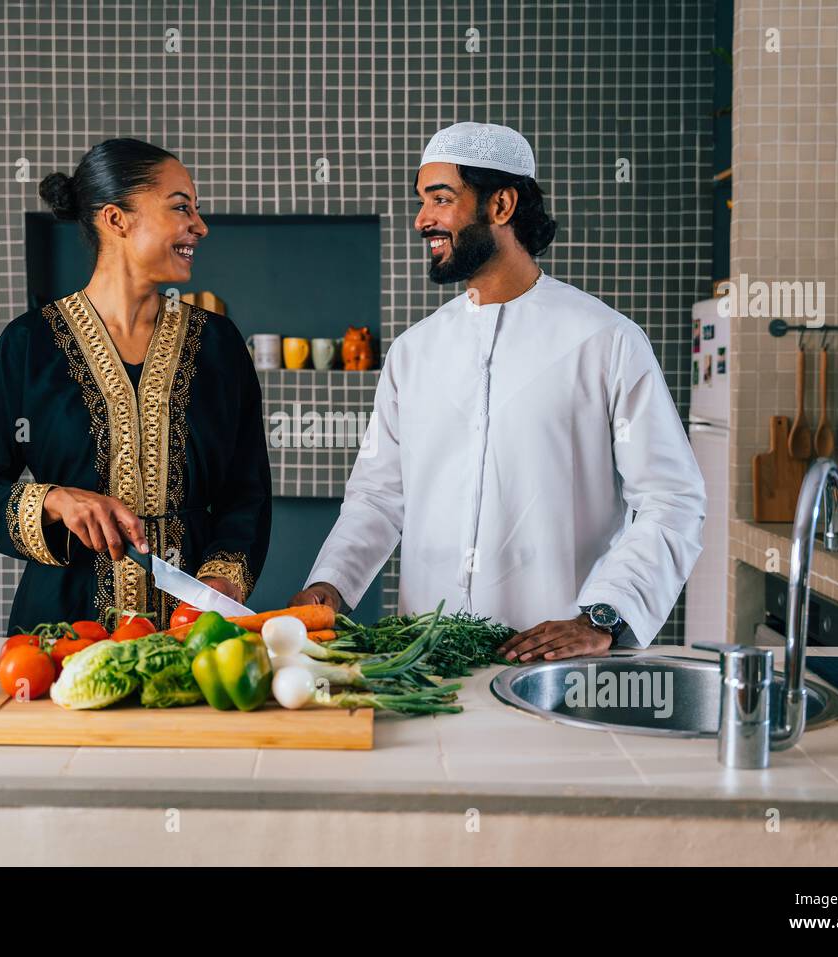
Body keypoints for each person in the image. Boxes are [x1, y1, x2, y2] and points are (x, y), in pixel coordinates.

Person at [290, 122, 705, 662]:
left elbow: (672, 499)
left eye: (441, 199)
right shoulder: (414, 353)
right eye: (423, 201)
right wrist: (331, 587)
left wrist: (605, 616)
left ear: (501, 205)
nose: (422, 221)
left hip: (554, 668)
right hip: (428, 658)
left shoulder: (605, 340)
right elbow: (378, 497)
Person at [0, 138, 271, 635]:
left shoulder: (219, 345)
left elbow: (247, 492)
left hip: (194, 636)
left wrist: (221, 584)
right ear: (116, 219)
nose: (200, 226)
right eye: (181, 208)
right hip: (64, 635)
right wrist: (55, 501)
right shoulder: (29, 344)